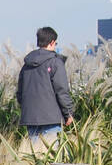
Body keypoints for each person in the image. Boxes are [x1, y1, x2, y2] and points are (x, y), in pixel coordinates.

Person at [17, 27, 74, 155]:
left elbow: (20, 93)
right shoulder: (55, 62)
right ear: (52, 42)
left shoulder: (26, 65)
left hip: (31, 118)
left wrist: (27, 108)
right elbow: (62, 90)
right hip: (51, 119)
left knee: (35, 156)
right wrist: (68, 113)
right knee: (51, 156)